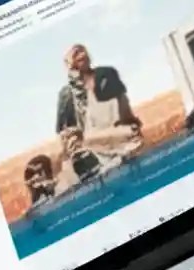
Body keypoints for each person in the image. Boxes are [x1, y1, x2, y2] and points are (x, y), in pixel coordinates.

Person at [55, 44, 143, 182]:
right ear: (67, 63)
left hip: (122, 148)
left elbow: (124, 108)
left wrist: (131, 131)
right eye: (74, 53)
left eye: (81, 50)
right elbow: (66, 136)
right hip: (95, 163)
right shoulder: (66, 95)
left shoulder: (106, 75)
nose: (80, 54)